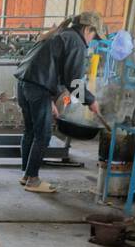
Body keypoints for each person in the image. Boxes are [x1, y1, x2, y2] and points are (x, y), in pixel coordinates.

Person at [13, 11, 105, 194]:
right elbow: (74, 81)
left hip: (24, 84)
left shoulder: (60, 34)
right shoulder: (76, 42)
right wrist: (90, 101)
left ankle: (26, 175)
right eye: (94, 35)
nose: (93, 40)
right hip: (37, 87)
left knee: (31, 130)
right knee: (43, 134)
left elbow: (52, 70)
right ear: (88, 29)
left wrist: (52, 99)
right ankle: (33, 179)